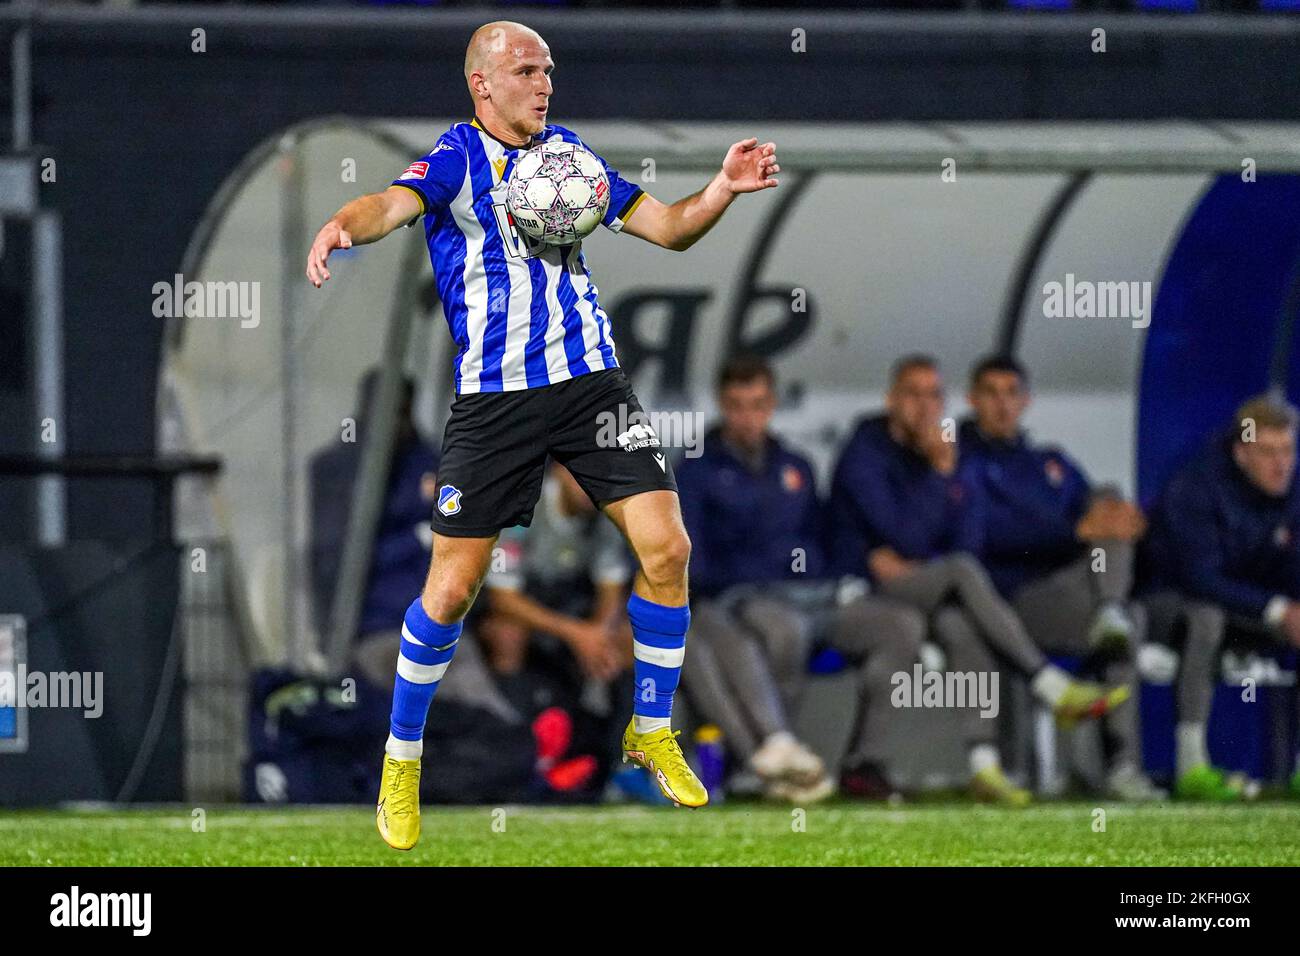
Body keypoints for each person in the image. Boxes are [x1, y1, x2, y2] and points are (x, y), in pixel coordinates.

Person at [305, 20, 780, 848]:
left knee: (667, 548)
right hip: (496, 403)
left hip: (590, 385)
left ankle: (650, 728)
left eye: (549, 69)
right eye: (527, 70)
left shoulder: (569, 160)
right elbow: (389, 203)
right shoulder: (454, 158)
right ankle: (402, 755)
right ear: (483, 84)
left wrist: (722, 190)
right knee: (451, 591)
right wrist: (343, 225)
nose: (545, 83)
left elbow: (667, 228)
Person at [829, 354, 1128, 805]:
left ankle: (984, 765)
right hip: (869, 591)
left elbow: (970, 537)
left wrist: (928, 531)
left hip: (929, 586)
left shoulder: (948, 453)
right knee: (962, 574)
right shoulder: (866, 451)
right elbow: (903, 534)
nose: (923, 407)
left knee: (964, 625)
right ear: (891, 399)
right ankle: (1049, 684)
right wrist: (940, 479)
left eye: (933, 396)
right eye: (911, 394)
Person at [676, 355, 924, 802]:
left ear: (771, 404)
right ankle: (774, 755)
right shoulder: (697, 470)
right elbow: (696, 560)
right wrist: (766, 574)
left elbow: (825, 537)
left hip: (815, 596)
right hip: (744, 598)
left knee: (900, 626)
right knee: (782, 628)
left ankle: (863, 762)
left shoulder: (797, 466)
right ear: (721, 405)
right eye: (736, 405)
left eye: (756, 404)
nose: (747, 416)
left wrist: (846, 573)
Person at [959, 355, 1161, 800]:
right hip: (1015, 600)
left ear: (1026, 400)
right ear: (973, 399)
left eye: (1012, 393)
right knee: (1117, 604)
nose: (1002, 405)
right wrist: (1072, 533)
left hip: (1075, 592)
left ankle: (1122, 766)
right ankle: (1107, 611)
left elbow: (1095, 520)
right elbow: (980, 540)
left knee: (1128, 609)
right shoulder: (965, 463)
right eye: (991, 394)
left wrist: (1122, 520)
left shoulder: (1050, 462)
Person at [1142, 394, 1300, 801]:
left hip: (1248, 610)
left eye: (1287, 451)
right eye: (1267, 452)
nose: (1280, 464)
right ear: (1241, 451)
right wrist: (1280, 610)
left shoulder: (1292, 494)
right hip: (1166, 606)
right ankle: (1190, 765)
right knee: (1206, 618)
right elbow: (1200, 579)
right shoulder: (1195, 488)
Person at [479, 461, 636, 792]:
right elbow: (502, 598)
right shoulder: (522, 505)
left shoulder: (605, 509)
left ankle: (620, 767)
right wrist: (577, 634)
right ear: (560, 472)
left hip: (573, 608)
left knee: (629, 637)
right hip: (521, 608)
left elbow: (611, 586)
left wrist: (599, 633)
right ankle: (517, 757)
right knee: (507, 633)